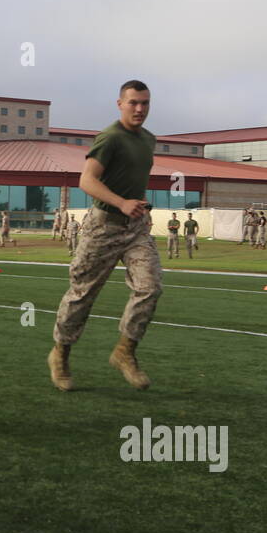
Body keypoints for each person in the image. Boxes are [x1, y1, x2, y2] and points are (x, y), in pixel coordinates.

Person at [49, 80, 161, 392]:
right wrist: (121, 202)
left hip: (135, 228)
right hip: (104, 225)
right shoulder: (110, 138)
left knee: (150, 287)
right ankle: (60, 354)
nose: (140, 109)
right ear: (120, 104)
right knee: (82, 294)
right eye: (133, 103)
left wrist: (136, 207)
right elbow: (87, 180)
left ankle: (125, 352)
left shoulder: (148, 140)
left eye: (145, 103)